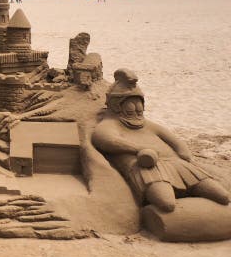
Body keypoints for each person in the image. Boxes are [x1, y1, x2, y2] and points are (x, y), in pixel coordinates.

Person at [92, 69, 229, 212]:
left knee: (222, 196)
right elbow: (104, 139)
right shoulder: (110, 124)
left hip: (179, 165)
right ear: (116, 107)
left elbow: (173, 139)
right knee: (166, 203)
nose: (137, 114)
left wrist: (183, 151)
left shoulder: (148, 125)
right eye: (131, 110)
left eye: (139, 109)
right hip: (147, 168)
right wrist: (138, 149)